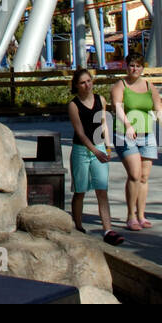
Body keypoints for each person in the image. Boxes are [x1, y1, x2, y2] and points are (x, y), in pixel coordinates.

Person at [110, 50, 162, 231]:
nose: (134, 69)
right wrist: (128, 125)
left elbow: (159, 110)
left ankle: (141, 214)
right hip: (126, 134)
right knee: (134, 174)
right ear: (126, 66)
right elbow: (118, 107)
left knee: (144, 177)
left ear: (142, 68)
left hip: (146, 134)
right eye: (131, 65)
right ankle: (130, 215)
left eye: (138, 66)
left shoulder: (149, 86)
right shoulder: (120, 85)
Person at [67, 68, 125, 246]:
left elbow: (104, 125)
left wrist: (107, 147)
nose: (87, 85)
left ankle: (107, 229)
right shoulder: (73, 105)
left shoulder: (101, 100)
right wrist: (95, 151)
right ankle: (78, 226)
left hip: (99, 147)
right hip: (82, 149)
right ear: (77, 86)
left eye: (89, 81)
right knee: (80, 191)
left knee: (102, 189)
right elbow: (80, 132)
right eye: (82, 83)